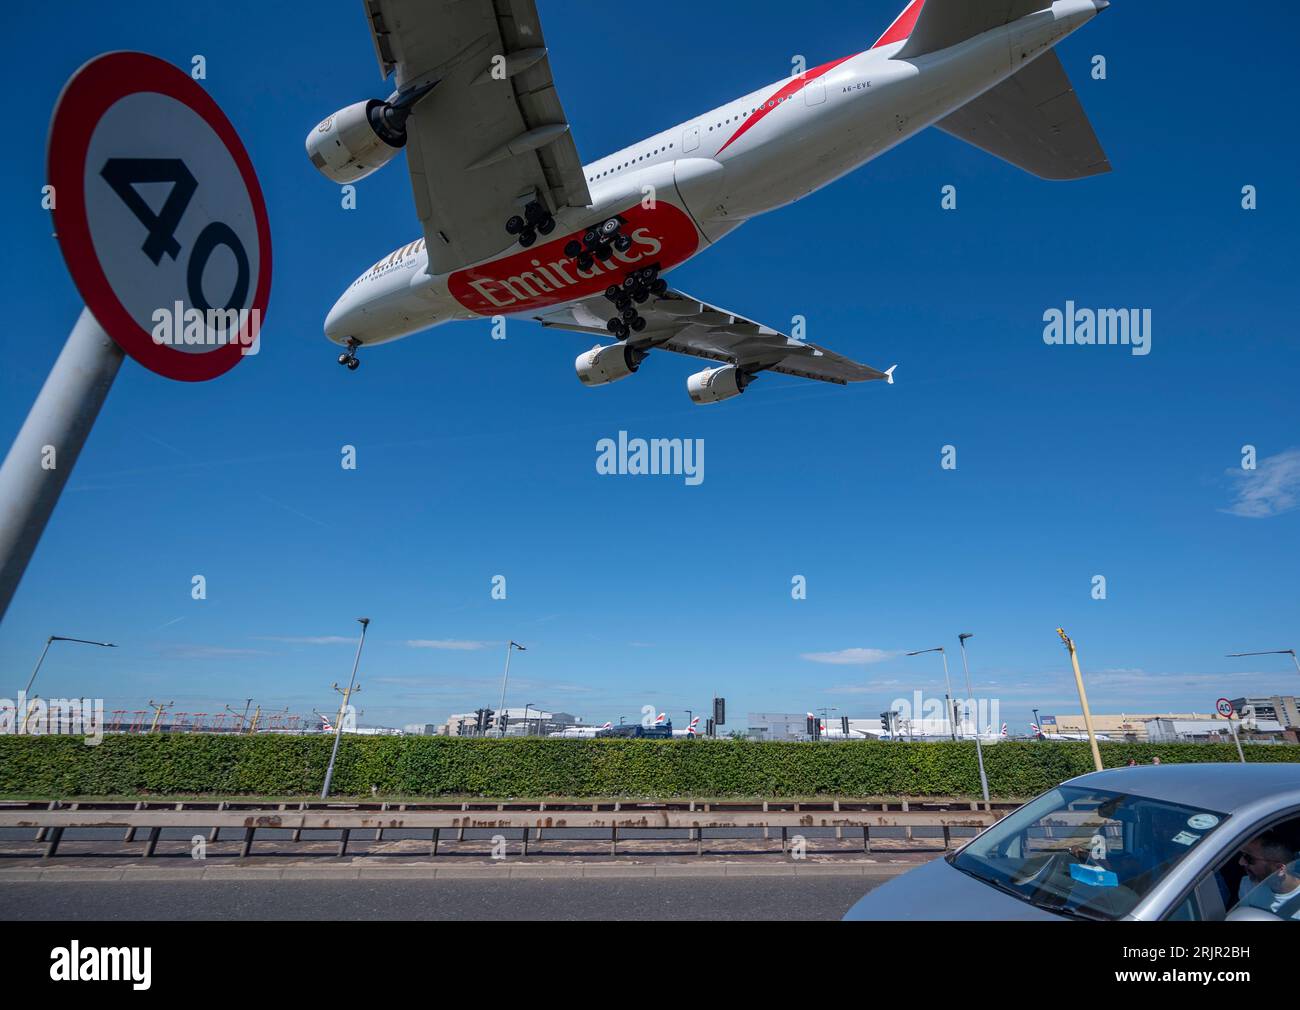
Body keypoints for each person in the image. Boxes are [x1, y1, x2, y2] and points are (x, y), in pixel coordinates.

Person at [1234, 831, 1296, 909]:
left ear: (1279, 869)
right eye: (1242, 855)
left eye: (1248, 858)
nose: (1241, 862)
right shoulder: (1247, 884)